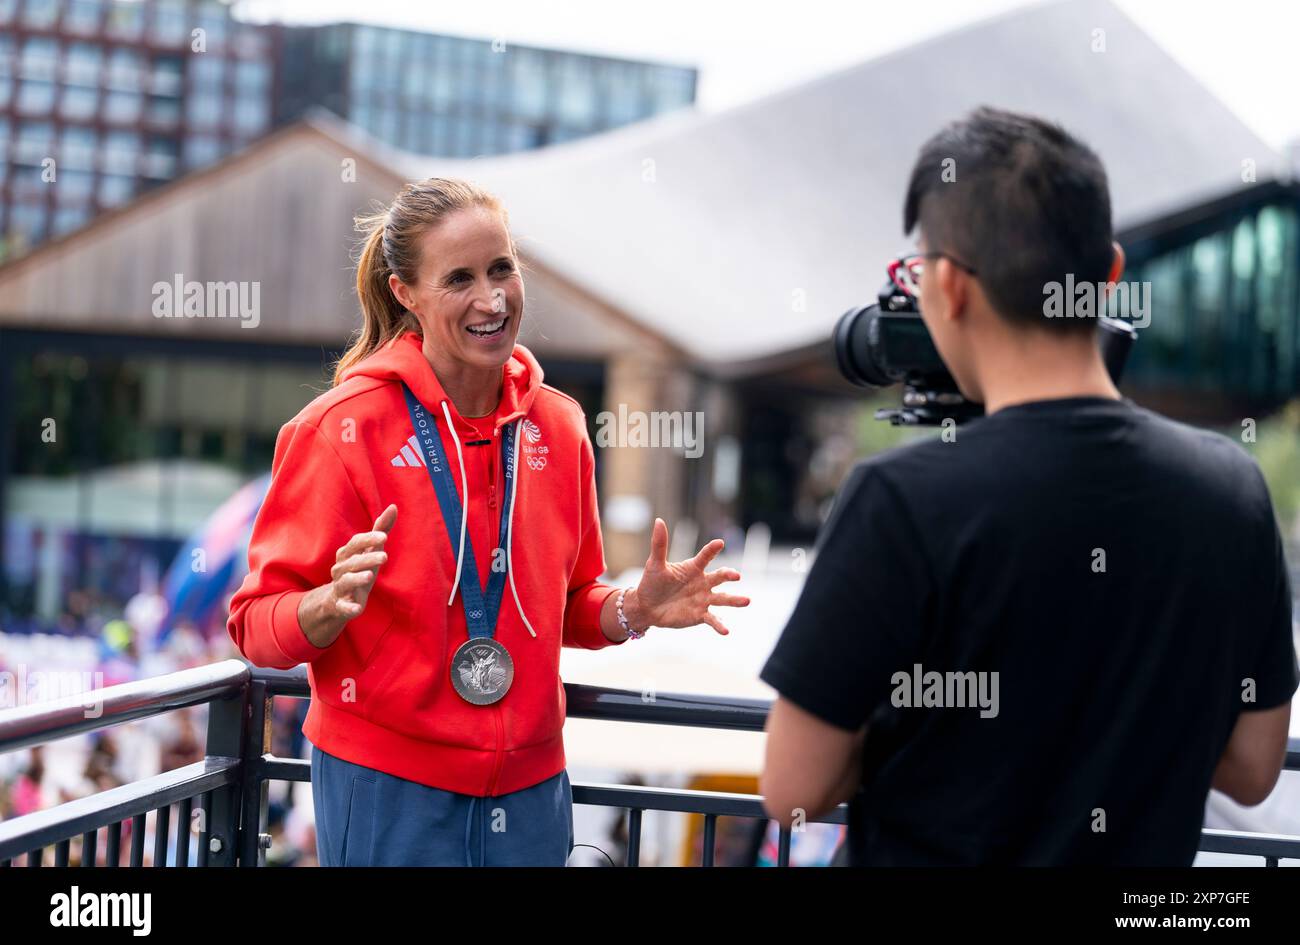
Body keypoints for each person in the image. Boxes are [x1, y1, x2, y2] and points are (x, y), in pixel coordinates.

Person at [758, 106, 1299, 865]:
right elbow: (1251, 769)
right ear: (1108, 276)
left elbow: (793, 788)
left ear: (946, 287)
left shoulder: (900, 499)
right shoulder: (1234, 491)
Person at [227, 177, 749, 866]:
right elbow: (254, 626)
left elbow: (568, 607)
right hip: (388, 787)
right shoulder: (339, 429)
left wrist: (633, 608)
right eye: (460, 278)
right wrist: (320, 610)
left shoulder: (559, 426)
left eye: (502, 267)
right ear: (405, 294)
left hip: (533, 789)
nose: (492, 298)